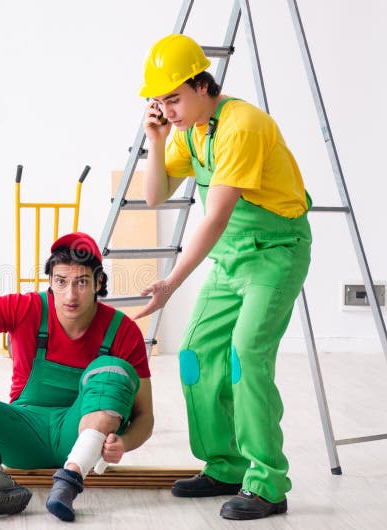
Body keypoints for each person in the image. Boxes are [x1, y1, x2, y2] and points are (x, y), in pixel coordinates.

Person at [132, 34, 312, 520]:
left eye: (174, 97)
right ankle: (225, 463)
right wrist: (156, 139)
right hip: (231, 260)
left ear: (202, 83)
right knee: (194, 353)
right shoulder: (190, 129)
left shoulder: (241, 125)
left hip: (275, 255)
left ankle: (268, 483)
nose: (168, 108)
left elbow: (212, 217)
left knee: (246, 355)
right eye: (160, 101)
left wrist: (170, 283)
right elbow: (154, 195)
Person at [0, 232, 153, 521]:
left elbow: (145, 417)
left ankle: (69, 480)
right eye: (61, 282)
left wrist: (125, 443)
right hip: (23, 435)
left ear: (99, 283)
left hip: (83, 439)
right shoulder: (26, 308)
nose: (70, 295)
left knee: (111, 367)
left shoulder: (123, 331)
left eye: (81, 282)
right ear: (51, 282)